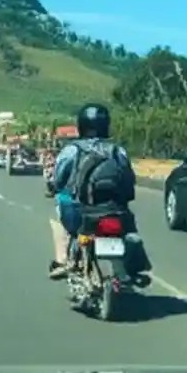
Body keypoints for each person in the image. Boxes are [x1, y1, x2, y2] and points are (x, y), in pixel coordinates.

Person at [47, 102, 143, 279]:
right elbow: (129, 180)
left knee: (57, 217)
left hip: (79, 210)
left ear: (81, 125)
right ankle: (128, 266)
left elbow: (59, 179)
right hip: (114, 209)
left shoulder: (71, 150)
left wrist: (55, 187)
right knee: (128, 231)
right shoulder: (118, 150)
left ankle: (62, 260)